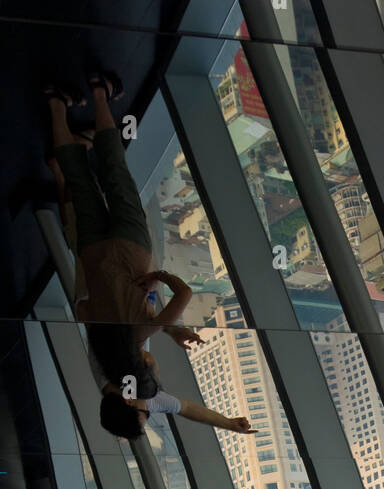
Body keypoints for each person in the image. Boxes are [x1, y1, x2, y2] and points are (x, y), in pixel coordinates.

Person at [44, 74, 258, 441]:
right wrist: (227, 423)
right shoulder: (105, 361)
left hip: (130, 251)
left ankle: (99, 92)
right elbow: (186, 409)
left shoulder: (141, 339)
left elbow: (182, 297)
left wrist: (157, 281)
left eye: (145, 411)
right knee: (79, 181)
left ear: (132, 402)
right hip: (93, 255)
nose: (151, 404)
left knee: (116, 173)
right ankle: (56, 105)